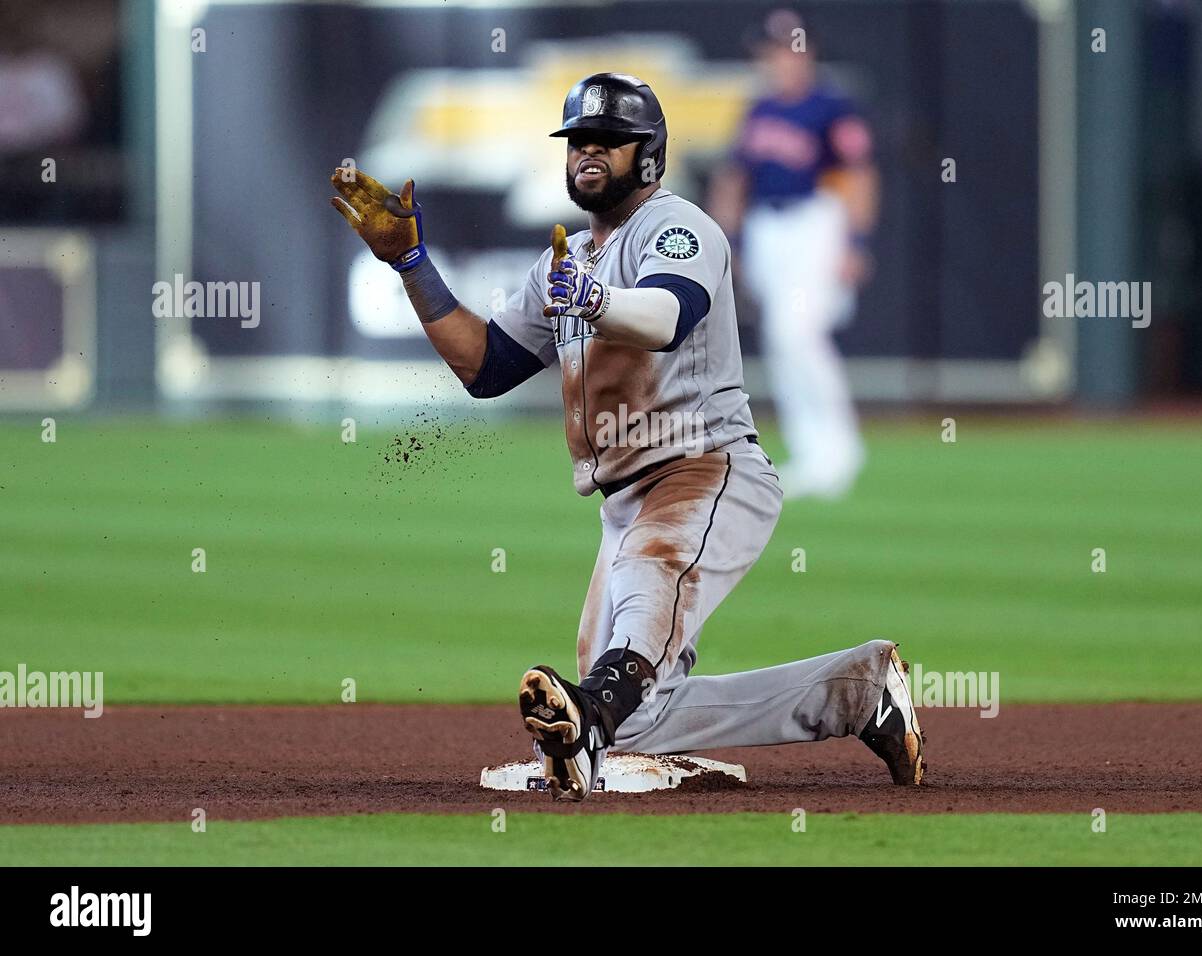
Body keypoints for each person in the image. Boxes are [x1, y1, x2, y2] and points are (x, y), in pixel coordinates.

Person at [331, 72, 922, 803]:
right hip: (625, 497)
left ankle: (585, 720)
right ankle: (860, 694)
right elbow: (484, 368)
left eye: (609, 141)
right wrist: (411, 265)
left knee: (638, 613)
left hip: (704, 468)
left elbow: (668, 314)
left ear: (648, 154)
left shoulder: (677, 227)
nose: (589, 151)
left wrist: (596, 300)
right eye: (578, 139)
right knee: (640, 717)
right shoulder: (568, 260)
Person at [710, 9, 879, 500]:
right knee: (782, 344)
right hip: (767, 231)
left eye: (785, 50)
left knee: (797, 332)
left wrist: (856, 242)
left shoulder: (831, 107)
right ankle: (811, 451)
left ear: (806, 52)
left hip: (815, 224)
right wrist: (730, 243)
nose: (775, 60)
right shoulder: (759, 109)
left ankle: (839, 450)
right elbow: (733, 179)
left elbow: (860, 175)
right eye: (769, 52)